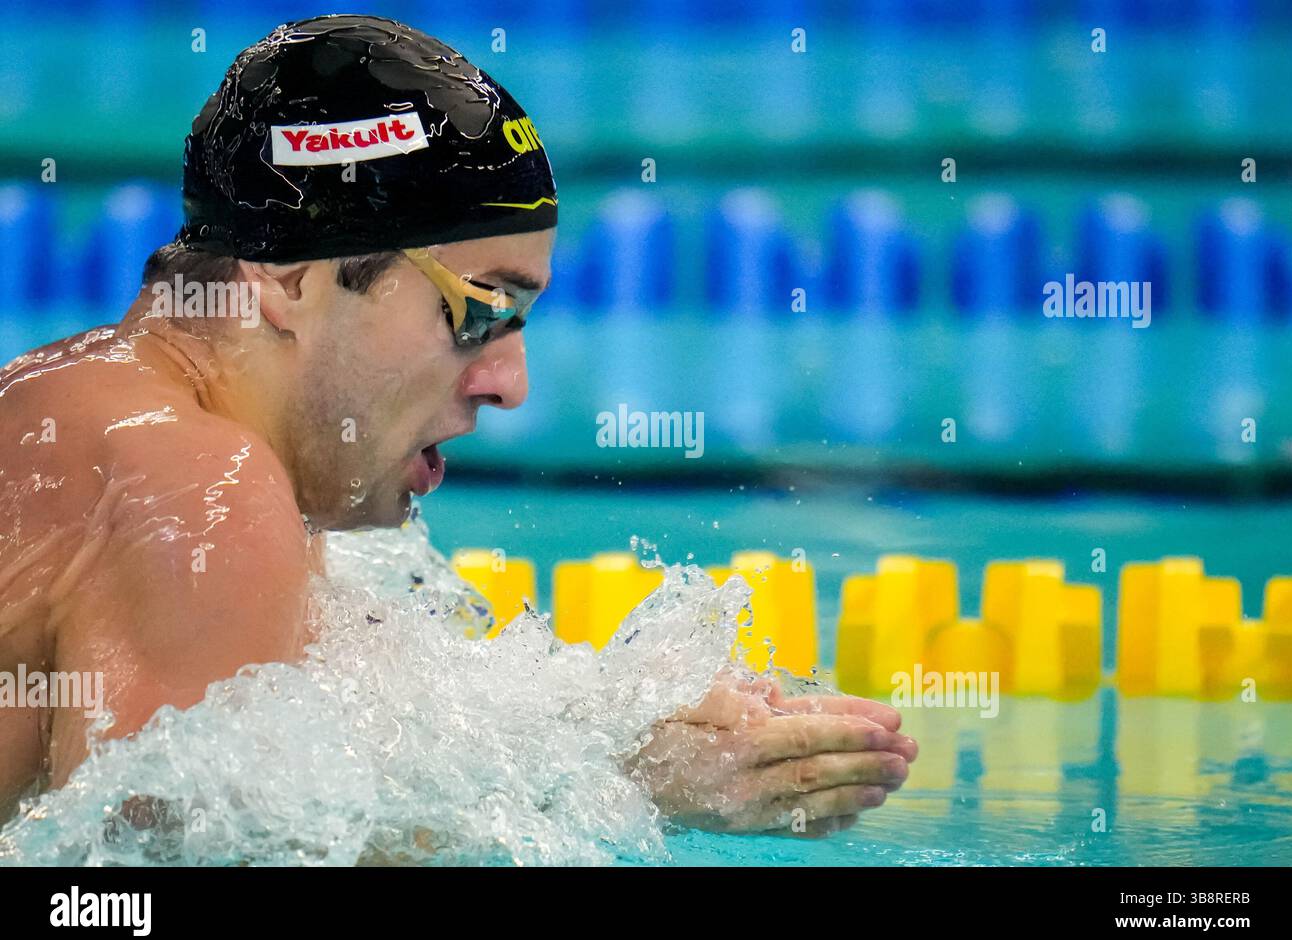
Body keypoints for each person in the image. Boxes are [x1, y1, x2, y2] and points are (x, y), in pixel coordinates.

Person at [0, 14, 915, 838]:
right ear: (286, 280)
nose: (511, 384)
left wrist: (608, 738)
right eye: (478, 311)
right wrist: (628, 794)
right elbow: (139, 881)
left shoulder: (115, 416)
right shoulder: (201, 487)